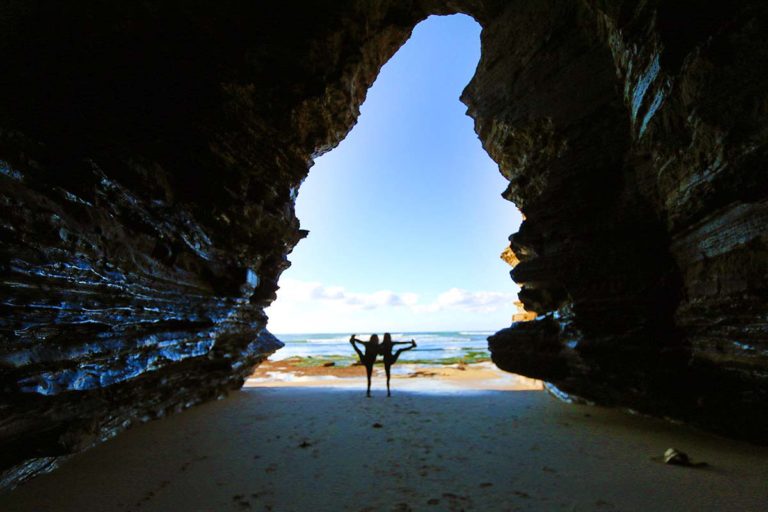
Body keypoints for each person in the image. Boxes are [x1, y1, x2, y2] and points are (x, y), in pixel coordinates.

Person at [379, 333, 417, 397]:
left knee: (399, 350)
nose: (388, 338)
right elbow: (379, 352)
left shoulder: (384, 344)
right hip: (389, 360)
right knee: (388, 376)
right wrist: (409, 342)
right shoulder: (388, 343)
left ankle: (388, 392)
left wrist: (409, 342)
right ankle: (388, 392)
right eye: (388, 337)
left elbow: (400, 343)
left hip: (389, 360)